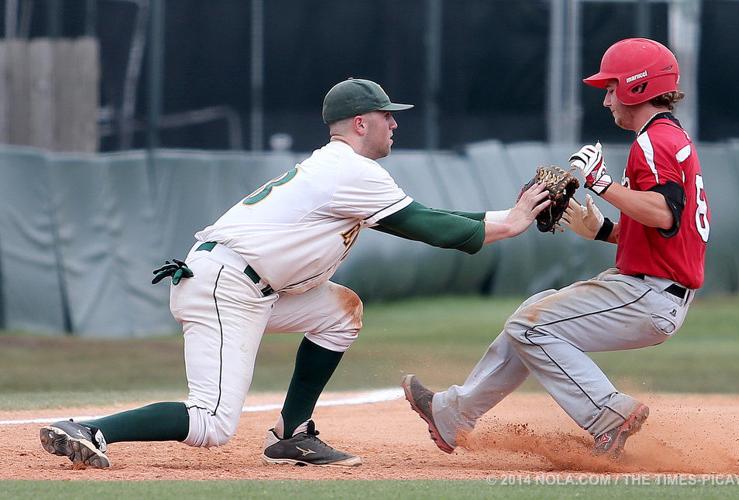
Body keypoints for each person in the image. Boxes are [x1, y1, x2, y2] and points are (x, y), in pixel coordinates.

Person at [39, 78, 551, 468]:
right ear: (359, 124)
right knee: (212, 423)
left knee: (340, 313)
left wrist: (510, 217)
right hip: (226, 285)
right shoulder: (350, 170)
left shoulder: (341, 167)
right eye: (385, 115)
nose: (394, 123)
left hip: (251, 283)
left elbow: (433, 216)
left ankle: (292, 434)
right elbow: (431, 228)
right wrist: (512, 223)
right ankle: (89, 429)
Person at [402, 38, 711, 459]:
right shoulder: (667, 140)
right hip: (651, 290)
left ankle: (608, 414)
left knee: (533, 326)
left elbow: (664, 215)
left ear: (636, 88)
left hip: (647, 295)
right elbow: (661, 231)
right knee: (528, 316)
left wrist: (601, 183)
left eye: (610, 88)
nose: (605, 101)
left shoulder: (652, 143)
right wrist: (603, 229)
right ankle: (453, 414)